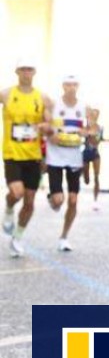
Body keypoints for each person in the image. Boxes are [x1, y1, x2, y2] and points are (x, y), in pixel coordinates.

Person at [3, 58, 55, 257]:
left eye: (30, 69)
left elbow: (51, 128)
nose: (26, 73)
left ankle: (17, 237)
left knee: (30, 202)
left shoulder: (43, 98)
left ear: (34, 72)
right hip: (12, 153)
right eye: (23, 69)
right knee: (16, 193)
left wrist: (45, 127)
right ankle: (8, 209)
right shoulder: (7, 94)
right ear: (17, 72)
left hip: (33, 155)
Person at [45, 75, 93, 252]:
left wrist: (86, 131)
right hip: (55, 157)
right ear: (63, 86)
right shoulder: (53, 104)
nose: (71, 87)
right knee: (59, 201)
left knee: (73, 200)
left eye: (74, 84)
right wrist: (51, 135)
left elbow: (93, 130)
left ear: (78, 86)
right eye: (68, 84)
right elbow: (45, 125)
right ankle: (53, 199)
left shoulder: (84, 107)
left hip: (74, 157)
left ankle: (64, 237)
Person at [80, 108, 103, 210]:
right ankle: (84, 175)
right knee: (86, 180)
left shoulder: (100, 128)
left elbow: (98, 140)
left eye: (95, 116)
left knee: (96, 177)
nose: (93, 118)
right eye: (91, 116)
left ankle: (95, 200)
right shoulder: (85, 127)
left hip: (95, 153)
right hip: (86, 153)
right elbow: (81, 135)